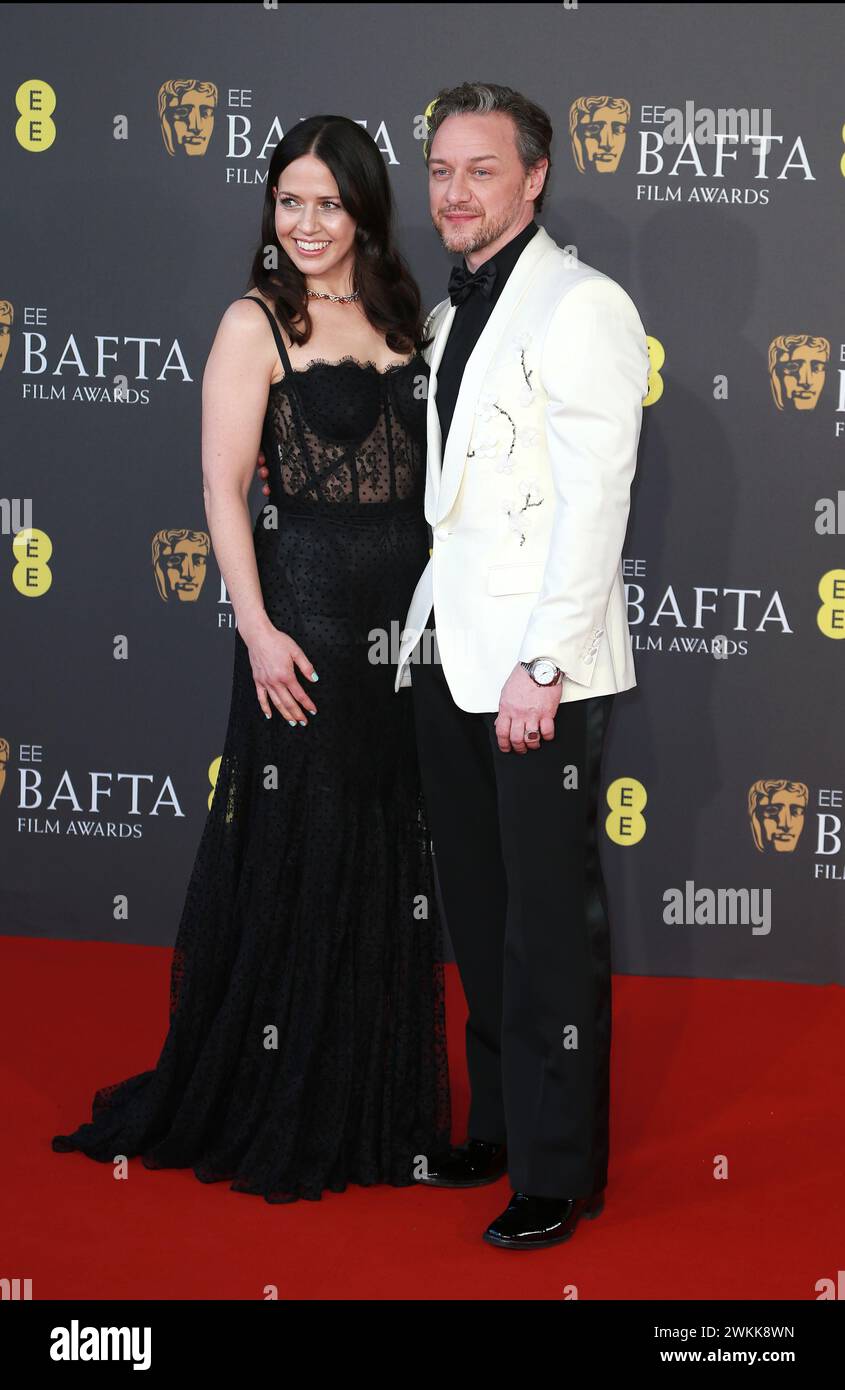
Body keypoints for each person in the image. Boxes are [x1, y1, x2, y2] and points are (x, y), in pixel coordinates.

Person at [51, 115, 451, 1204]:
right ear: (269, 212)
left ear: (365, 208)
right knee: (303, 843)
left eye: (328, 201)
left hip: (402, 636)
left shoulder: (406, 314)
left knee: (377, 848)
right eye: (289, 201)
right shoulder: (252, 323)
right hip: (304, 626)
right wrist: (256, 624)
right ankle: (280, 1094)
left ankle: (371, 1102)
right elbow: (222, 488)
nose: (307, 222)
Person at [393, 83, 648, 1250]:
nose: (453, 192)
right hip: (452, 657)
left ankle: (557, 1171)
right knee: (481, 911)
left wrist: (542, 664)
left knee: (546, 925)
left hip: (539, 673)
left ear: (534, 176)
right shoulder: (451, 319)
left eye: (479, 170)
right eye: (440, 170)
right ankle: (496, 1122)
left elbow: (594, 504)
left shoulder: (583, 304)